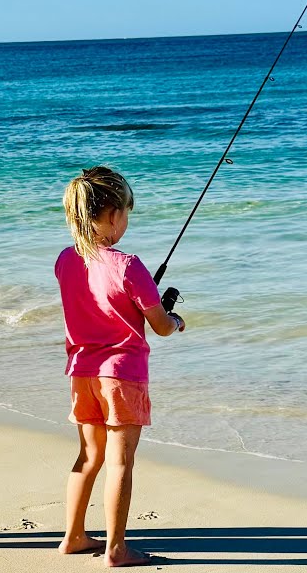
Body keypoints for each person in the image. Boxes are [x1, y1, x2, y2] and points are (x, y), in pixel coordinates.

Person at [54, 166, 186, 567]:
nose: (126, 222)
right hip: (121, 376)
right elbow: (160, 326)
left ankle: (73, 536)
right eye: (126, 213)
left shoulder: (65, 260)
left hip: (82, 373)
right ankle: (116, 549)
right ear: (112, 214)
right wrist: (176, 320)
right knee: (120, 462)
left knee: (88, 457)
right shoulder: (129, 265)